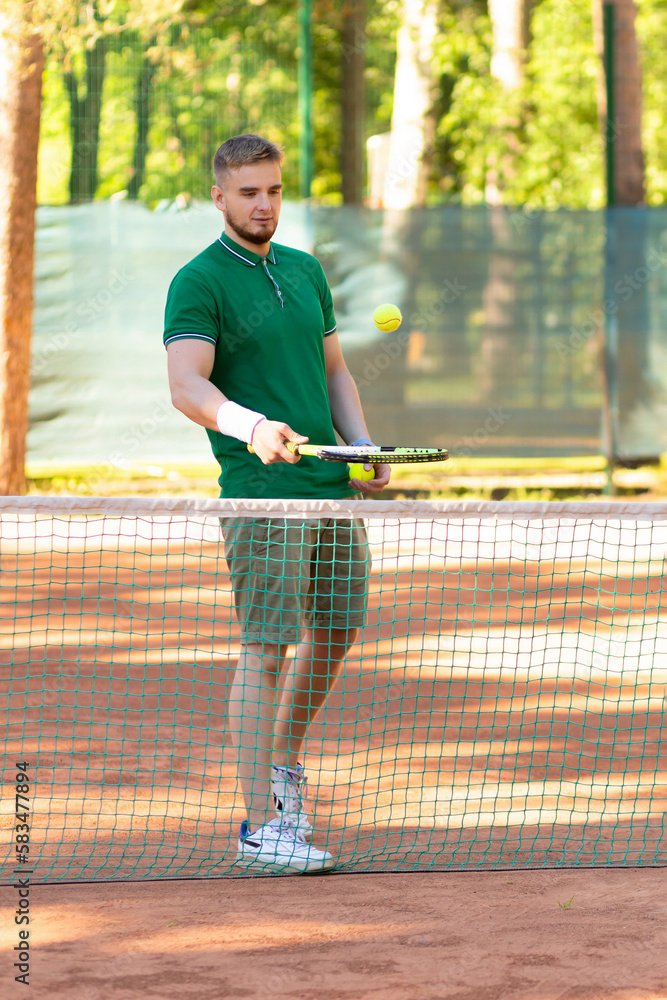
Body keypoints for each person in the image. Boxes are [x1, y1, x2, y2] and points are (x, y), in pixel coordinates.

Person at [164, 133, 390, 873]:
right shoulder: (198, 282)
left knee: (333, 632)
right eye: (248, 192)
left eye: (273, 190)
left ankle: (281, 769)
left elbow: (335, 374)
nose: (263, 204)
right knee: (266, 649)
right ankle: (260, 824)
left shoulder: (303, 269)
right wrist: (251, 426)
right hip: (263, 496)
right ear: (219, 196)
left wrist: (358, 447)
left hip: (327, 490)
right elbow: (187, 386)